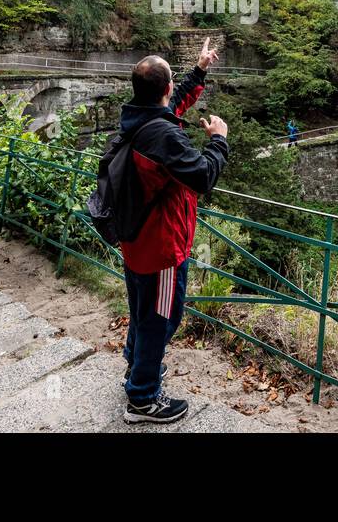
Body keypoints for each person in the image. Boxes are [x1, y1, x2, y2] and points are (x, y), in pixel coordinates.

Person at [119, 37, 229, 424]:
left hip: (136, 243)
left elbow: (173, 103)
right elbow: (202, 176)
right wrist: (219, 140)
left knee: (143, 313)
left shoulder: (138, 119)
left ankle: (136, 369)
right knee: (162, 319)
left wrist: (199, 69)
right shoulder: (164, 136)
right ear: (163, 89)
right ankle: (143, 397)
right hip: (163, 251)